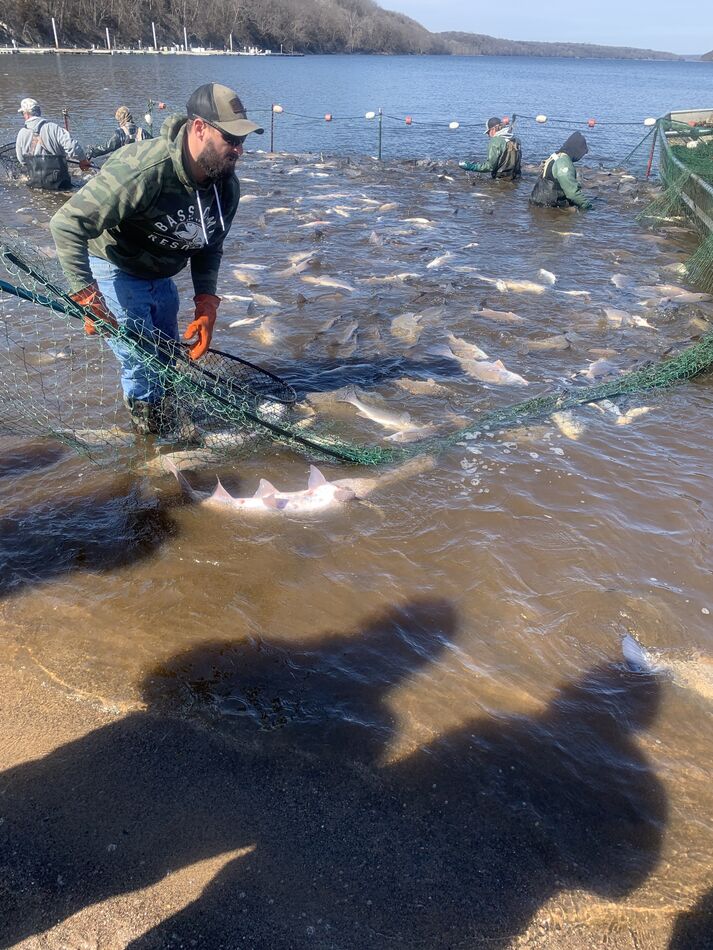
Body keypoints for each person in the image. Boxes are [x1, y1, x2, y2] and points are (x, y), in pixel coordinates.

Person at [50, 82, 264, 436]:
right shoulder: (143, 169)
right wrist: (87, 296)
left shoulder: (226, 186)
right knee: (141, 364)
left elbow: (211, 243)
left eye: (242, 140)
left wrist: (206, 302)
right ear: (200, 128)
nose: (239, 150)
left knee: (166, 357)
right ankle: (150, 440)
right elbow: (67, 224)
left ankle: (168, 423)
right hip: (115, 264)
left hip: (161, 273)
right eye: (231, 139)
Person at [15, 97, 89, 191]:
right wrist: (83, 160)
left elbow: (21, 160)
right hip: (59, 184)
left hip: (35, 184)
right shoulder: (54, 128)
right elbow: (72, 147)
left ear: (26, 114)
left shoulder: (21, 133)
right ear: (39, 112)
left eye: (22, 113)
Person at [529, 131, 593, 210]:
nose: (581, 157)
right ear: (576, 150)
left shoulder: (556, 156)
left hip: (537, 202)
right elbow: (572, 193)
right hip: (547, 208)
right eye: (581, 154)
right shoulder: (564, 163)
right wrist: (587, 206)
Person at [458, 117, 522, 181]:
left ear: (493, 129)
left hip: (501, 180)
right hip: (516, 179)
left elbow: (490, 167)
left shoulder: (495, 141)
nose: (488, 135)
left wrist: (471, 166)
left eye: (488, 132)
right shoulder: (516, 140)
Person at [85, 106, 152, 161]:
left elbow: (107, 147)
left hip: (125, 165)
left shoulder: (120, 133)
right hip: (140, 164)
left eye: (118, 121)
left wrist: (91, 152)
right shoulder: (143, 132)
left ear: (120, 120)